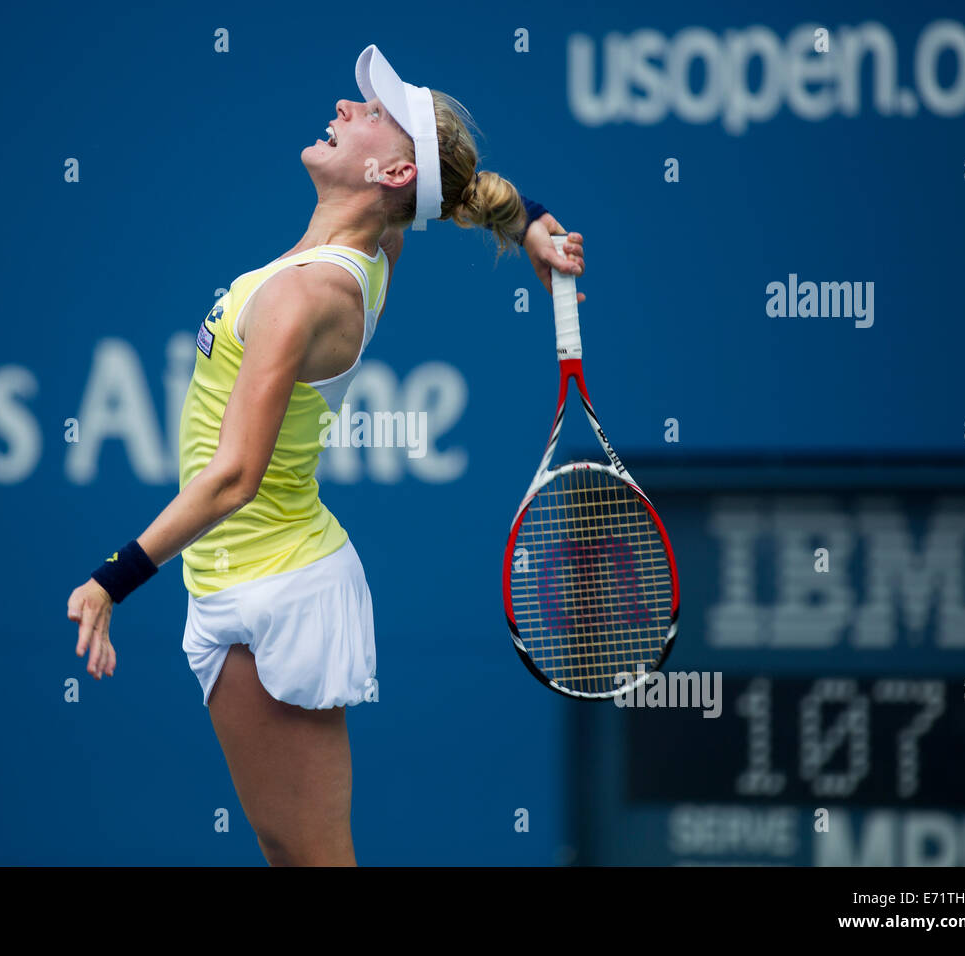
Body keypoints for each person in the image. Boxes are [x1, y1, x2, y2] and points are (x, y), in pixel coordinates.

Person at [67, 44, 585, 866]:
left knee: (315, 861)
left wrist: (112, 578)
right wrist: (527, 221)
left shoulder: (307, 295)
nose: (347, 110)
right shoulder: (372, 255)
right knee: (291, 855)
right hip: (244, 580)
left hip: (274, 591)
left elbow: (234, 474)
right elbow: (457, 197)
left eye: (372, 115)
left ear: (389, 175)